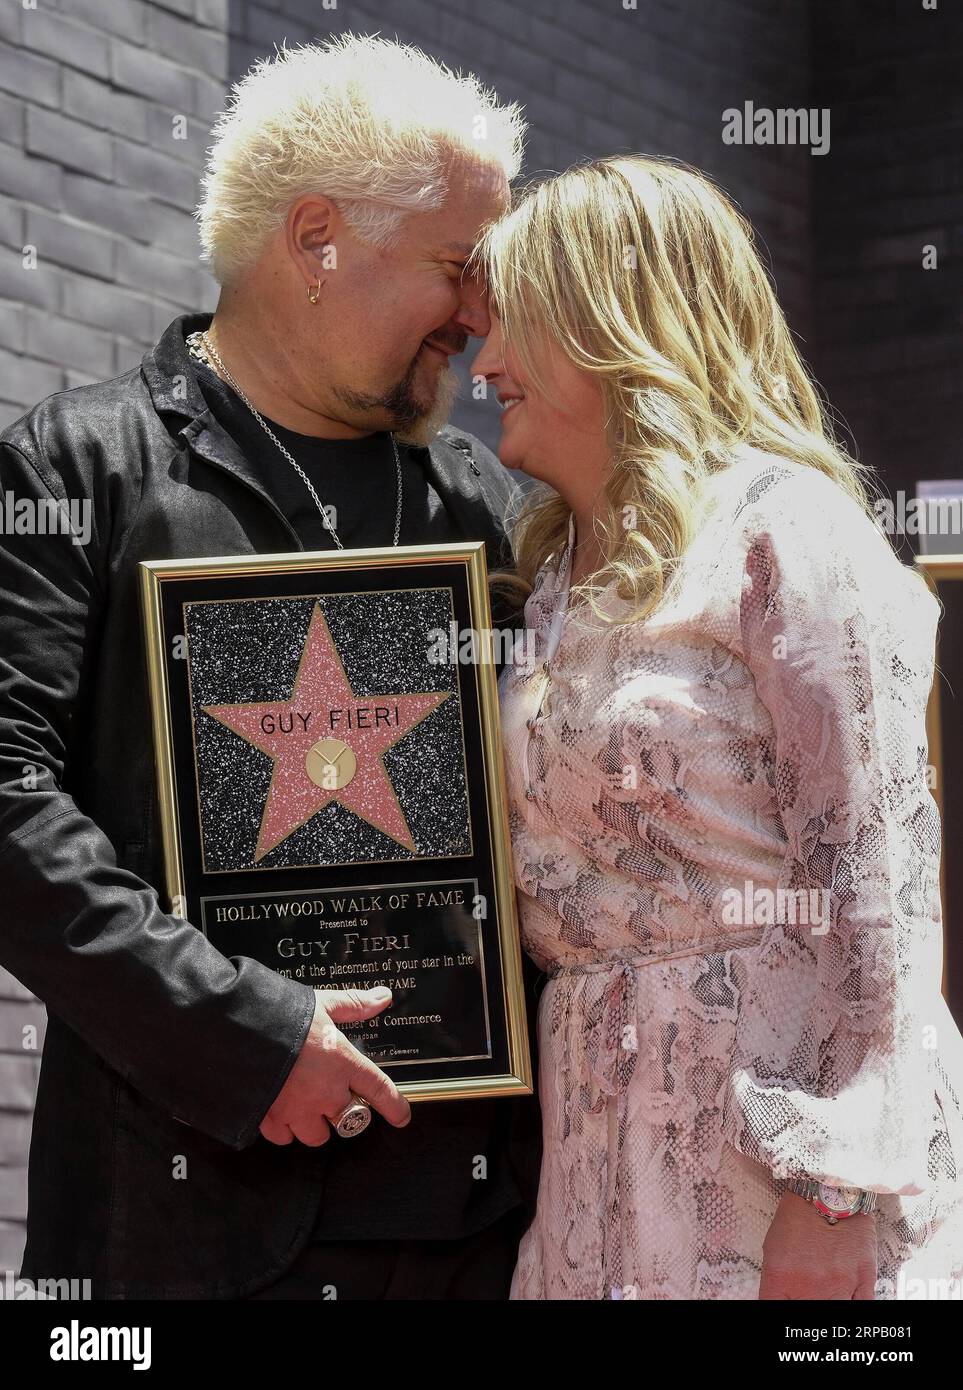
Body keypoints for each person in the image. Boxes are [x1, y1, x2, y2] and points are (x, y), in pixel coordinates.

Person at [0, 34, 540, 1301]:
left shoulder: (477, 503)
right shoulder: (78, 471)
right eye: (462, 269)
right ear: (317, 239)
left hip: (464, 1232)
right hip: (170, 1232)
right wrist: (241, 1033)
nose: (480, 317)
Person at [469, 153, 963, 1300]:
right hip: (597, 1161)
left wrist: (837, 1188)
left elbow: (877, 870)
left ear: (612, 324)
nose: (484, 364)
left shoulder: (787, 534)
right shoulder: (548, 584)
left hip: (791, 1189)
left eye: (518, 326)